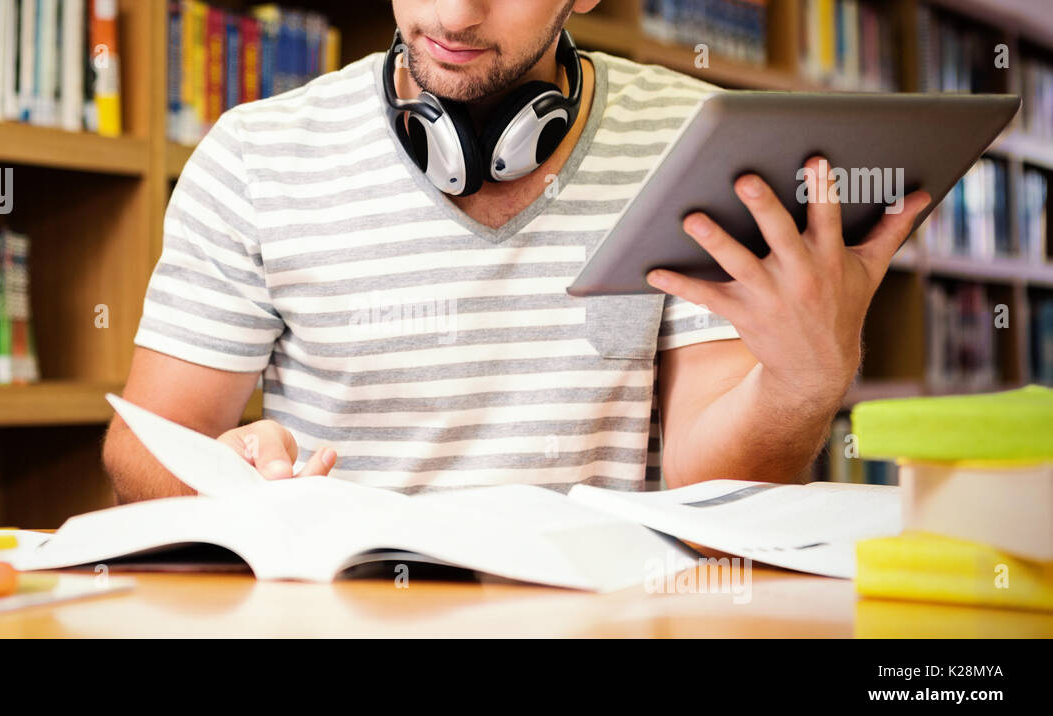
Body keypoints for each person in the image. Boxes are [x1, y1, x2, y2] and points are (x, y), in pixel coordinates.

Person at [103, 0, 930, 501]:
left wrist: (802, 384)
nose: (455, 16)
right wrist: (223, 471)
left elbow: (715, 488)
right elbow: (140, 446)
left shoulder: (695, 140)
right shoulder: (255, 154)